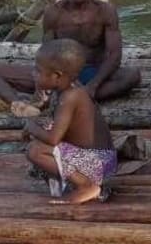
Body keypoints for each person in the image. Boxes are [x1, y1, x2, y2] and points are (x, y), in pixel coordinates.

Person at [0, 0, 141, 116]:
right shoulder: (54, 12)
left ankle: (77, 95)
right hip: (57, 75)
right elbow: (46, 52)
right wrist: (43, 84)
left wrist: (93, 85)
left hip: (92, 72)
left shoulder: (105, 11)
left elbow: (114, 55)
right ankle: (19, 105)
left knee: (132, 76)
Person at [24, 38, 117, 205]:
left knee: (35, 151)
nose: (33, 74)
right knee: (38, 139)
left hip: (99, 163)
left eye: (38, 71)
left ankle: (87, 186)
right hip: (97, 160)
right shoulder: (67, 90)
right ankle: (80, 182)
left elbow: (53, 139)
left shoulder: (71, 96)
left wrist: (30, 126)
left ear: (57, 76)